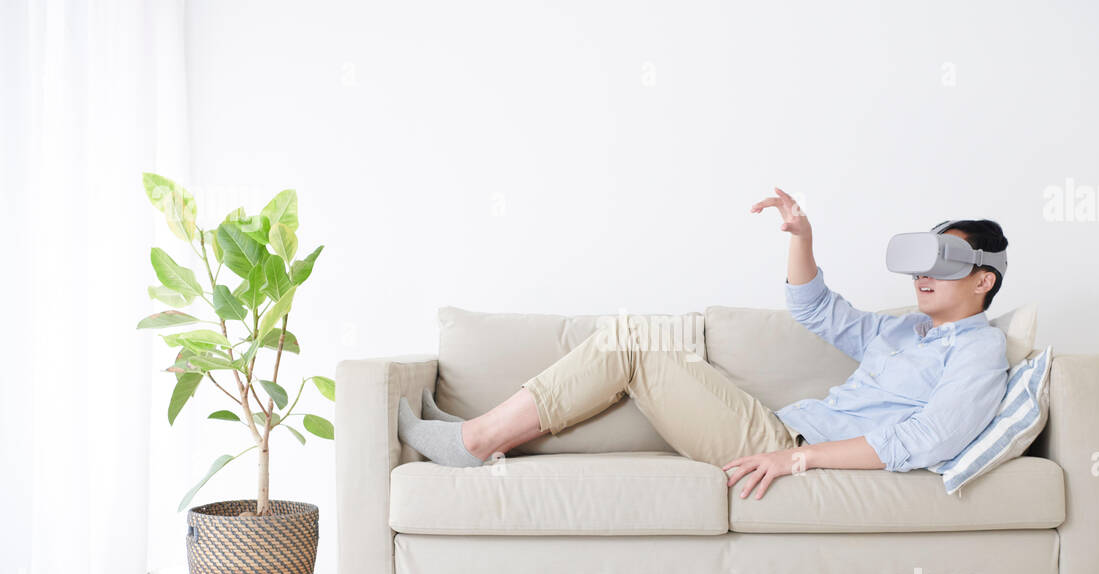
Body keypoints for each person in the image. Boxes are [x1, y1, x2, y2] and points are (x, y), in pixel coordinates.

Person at [397, 187, 1010, 501]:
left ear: (983, 280)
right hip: (774, 424)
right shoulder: (904, 329)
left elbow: (930, 439)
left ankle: (472, 441)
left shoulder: (977, 353)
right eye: (923, 262)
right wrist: (802, 235)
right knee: (616, 370)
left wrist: (797, 459)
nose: (923, 276)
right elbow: (815, 308)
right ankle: (478, 435)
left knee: (631, 337)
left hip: (788, 444)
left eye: (944, 263)